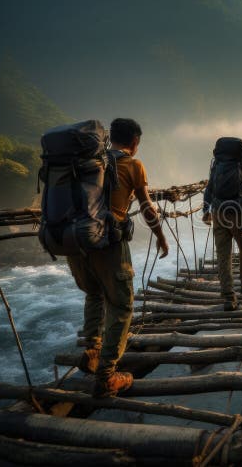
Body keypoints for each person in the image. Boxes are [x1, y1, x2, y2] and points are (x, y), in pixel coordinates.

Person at [67, 118, 169, 398]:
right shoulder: (132, 164)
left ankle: (92, 350)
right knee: (123, 306)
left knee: (94, 292)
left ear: (111, 139)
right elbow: (147, 206)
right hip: (109, 244)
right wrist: (160, 235)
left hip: (75, 239)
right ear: (135, 143)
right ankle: (107, 376)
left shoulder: (86, 163)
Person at [202, 137, 242, 310]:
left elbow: (209, 188)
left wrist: (205, 210)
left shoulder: (217, 163)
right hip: (239, 212)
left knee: (223, 255)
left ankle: (229, 296)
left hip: (218, 211)